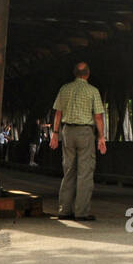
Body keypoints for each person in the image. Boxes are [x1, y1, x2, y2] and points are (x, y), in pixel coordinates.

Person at [49, 61, 106, 221]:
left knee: (69, 171)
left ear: (75, 73)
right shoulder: (92, 91)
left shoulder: (64, 89)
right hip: (85, 133)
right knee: (85, 173)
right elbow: (98, 116)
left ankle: (64, 210)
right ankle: (81, 212)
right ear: (87, 74)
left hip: (67, 132)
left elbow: (58, 113)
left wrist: (55, 133)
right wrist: (101, 136)